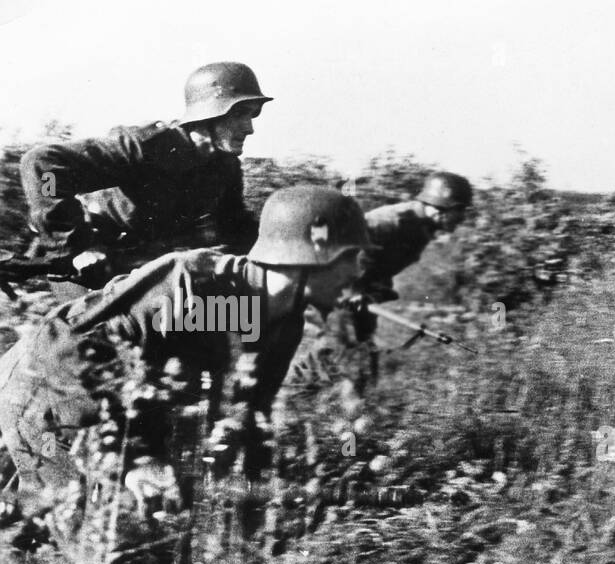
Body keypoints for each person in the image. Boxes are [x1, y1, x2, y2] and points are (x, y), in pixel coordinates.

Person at [0, 186, 371, 511]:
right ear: (309, 258)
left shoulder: (285, 323)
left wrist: (228, 445)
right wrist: (133, 461)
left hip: (116, 411)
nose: (359, 273)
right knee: (85, 554)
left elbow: (251, 411)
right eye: (351, 257)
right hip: (46, 388)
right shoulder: (194, 281)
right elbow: (66, 350)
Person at [20, 62, 272, 291]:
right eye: (239, 114)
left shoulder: (223, 166)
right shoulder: (146, 146)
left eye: (252, 115)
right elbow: (43, 164)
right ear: (209, 113)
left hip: (141, 266)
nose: (249, 128)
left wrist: (284, 249)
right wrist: (75, 246)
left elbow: (234, 227)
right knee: (95, 339)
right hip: (86, 268)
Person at [285, 171, 474, 395]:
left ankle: (333, 408)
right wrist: (351, 290)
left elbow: (380, 264)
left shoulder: (423, 229)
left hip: (360, 294)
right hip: (334, 289)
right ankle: (288, 402)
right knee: (342, 350)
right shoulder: (392, 221)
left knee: (358, 353)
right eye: (459, 210)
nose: (462, 218)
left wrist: (375, 291)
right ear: (441, 206)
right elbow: (345, 251)